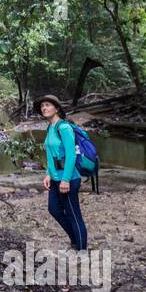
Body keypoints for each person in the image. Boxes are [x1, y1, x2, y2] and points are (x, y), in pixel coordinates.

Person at [36, 94, 88, 251]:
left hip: (69, 179)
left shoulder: (64, 127)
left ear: (56, 108)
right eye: (42, 106)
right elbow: (51, 155)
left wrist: (65, 179)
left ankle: (81, 248)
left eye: (47, 105)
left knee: (73, 215)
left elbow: (71, 154)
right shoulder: (50, 127)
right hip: (55, 178)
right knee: (54, 210)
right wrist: (48, 174)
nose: (44, 108)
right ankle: (75, 239)